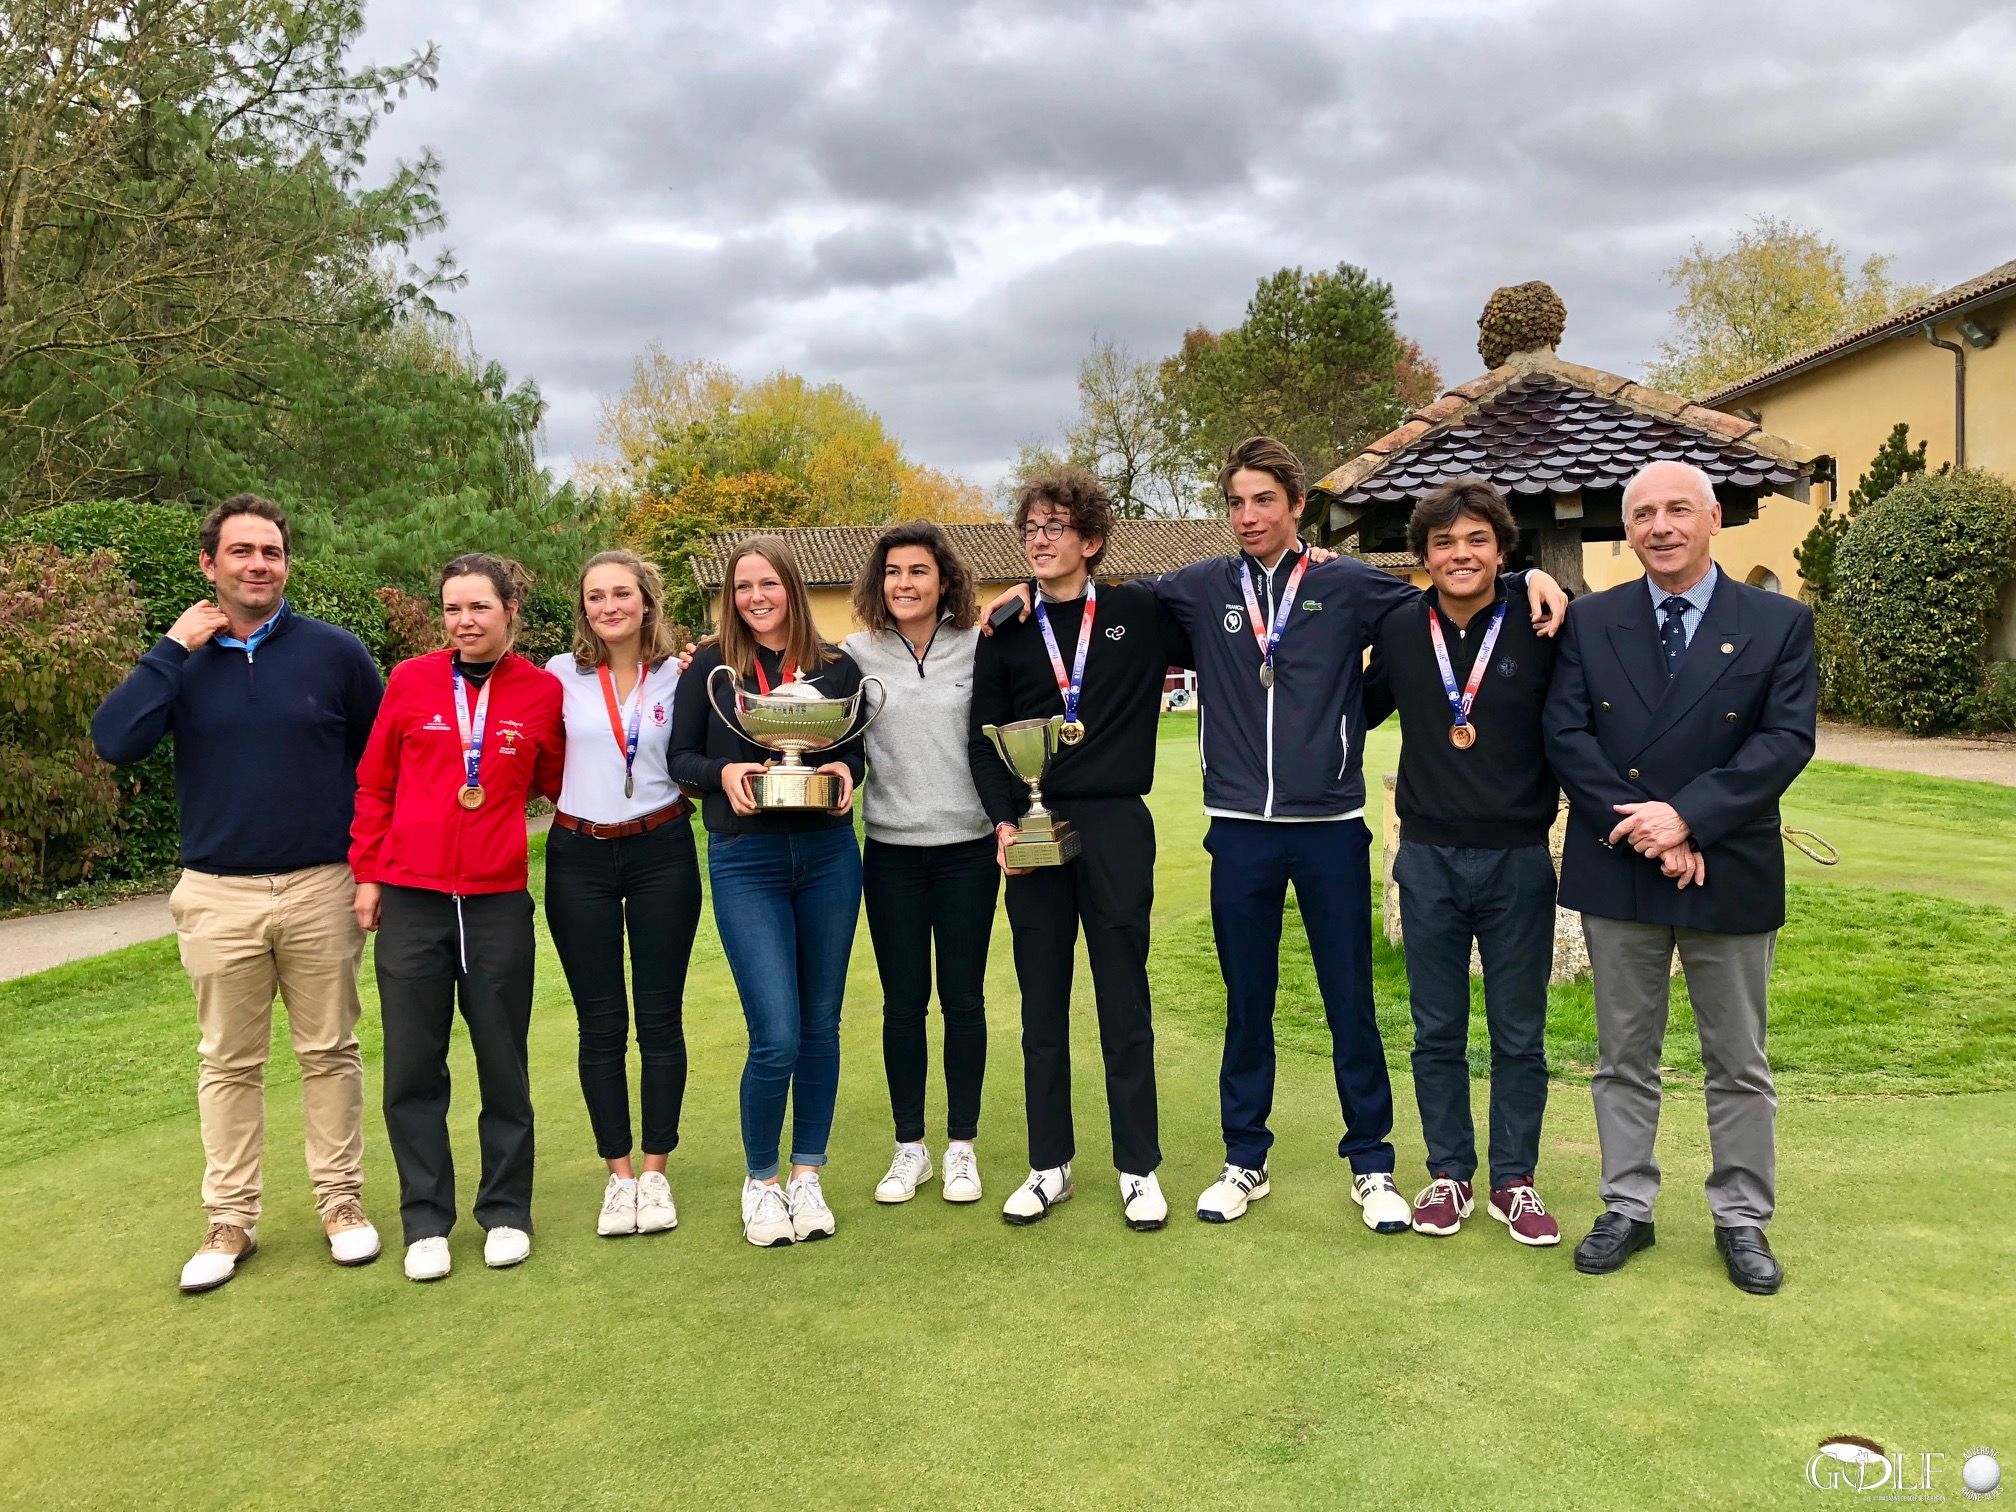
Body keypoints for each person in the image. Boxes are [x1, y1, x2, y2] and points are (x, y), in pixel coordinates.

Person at [991, 439, 1565, 1231]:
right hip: (1239, 829)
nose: (1248, 516)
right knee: (1247, 1001)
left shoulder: (1348, 582)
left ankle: (1371, 1163)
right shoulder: (1195, 588)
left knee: (1349, 1002)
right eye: (1235, 502)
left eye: (1264, 500)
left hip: (1330, 826)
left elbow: (1447, 603)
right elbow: (1093, 600)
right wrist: (1018, 594)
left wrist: (1529, 575)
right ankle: (1244, 1160)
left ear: (1297, 506)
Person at [92, 493, 386, 1294]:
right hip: (217, 891)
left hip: (323, 883)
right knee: (229, 1061)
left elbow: (382, 766)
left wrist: (374, 867)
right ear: (209, 565)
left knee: (329, 1051)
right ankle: (231, 1219)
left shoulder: (335, 652)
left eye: (272, 552)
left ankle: (341, 1204)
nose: (259, 564)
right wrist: (170, 648)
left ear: (285, 563)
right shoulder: (180, 660)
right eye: (242, 552)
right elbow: (116, 741)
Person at [1543, 459, 1815, 1295]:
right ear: (1625, 531)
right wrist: (1651, 829)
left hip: (1725, 865)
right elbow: (1567, 735)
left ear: (1713, 521)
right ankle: (1627, 1204)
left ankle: (1742, 1218)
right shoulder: (1593, 621)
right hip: (1621, 862)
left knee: (1737, 1060)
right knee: (1623, 1055)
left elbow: (1783, 740)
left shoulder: (1776, 621)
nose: (1659, 526)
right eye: (1643, 514)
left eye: (1677, 510)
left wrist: (1689, 819)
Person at [967, 467, 1188, 1232]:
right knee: (1041, 1003)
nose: (1038, 538)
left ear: (1090, 540)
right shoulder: (1005, 629)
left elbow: (1233, 597)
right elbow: (982, 736)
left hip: (1119, 824)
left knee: (1124, 1000)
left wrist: (1312, 558)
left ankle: (1137, 1168)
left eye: (1055, 526)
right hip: (1033, 828)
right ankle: (1048, 1165)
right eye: (1030, 527)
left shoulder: (1140, 610)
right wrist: (1003, 819)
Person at [349, 554, 564, 1282]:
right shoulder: (410, 682)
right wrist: (368, 874)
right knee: (413, 1065)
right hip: (412, 899)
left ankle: (505, 1211)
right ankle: (425, 1220)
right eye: (452, 609)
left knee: (503, 1063)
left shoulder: (539, 693)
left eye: (479, 608)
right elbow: (375, 784)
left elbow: (559, 779)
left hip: (497, 900)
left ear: (510, 611)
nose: (464, 622)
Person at [1363, 478, 1562, 1247]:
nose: (1460, 554)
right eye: (1443, 543)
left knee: (1520, 1035)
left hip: (1517, 859)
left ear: (1502, 549)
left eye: (1477, 539)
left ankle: (1515, 1181)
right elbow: (1353, 705)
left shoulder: (1543, 621)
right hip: (1428, 860)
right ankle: (1449, 1174)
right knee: (1436, 1029)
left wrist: (1540, 577)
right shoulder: (1404, 629)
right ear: (1423, 556)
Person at [667, 536, 869, 1248]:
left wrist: (849, 774)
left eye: (769, 584)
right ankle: (761, 1183)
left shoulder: (837, 668)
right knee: (776, 1033)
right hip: (745, 859)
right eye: (744, 585)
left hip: (827, 858)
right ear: (731, 594)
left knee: (821, 1025)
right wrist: (719, 775)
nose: (757, 596)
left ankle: (808, 1177)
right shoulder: (713, 670)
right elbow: (680, 757)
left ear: (792, 587)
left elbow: (850, 751)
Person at [841, 523, 999, 1206]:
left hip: (968, 849)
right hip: (892, 851)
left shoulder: (978, 645)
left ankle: (961, 1146)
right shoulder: (853, 653)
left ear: (945, 581)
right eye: (893, 572)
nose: (904, 584)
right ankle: (912, 1148)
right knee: (903, 1003)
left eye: (919, 572)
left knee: (963, 999)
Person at [544, 550, 700, 1238]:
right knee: (600, 1023)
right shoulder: (557, 675)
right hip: (579, 854)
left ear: (646, 602)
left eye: (621, 594)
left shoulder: (682, 674)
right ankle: (620, 1179)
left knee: (660, 1019)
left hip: (661, 848)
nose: (608, 607)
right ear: (584, 608)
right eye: (595, 597)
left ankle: (657, 1174)